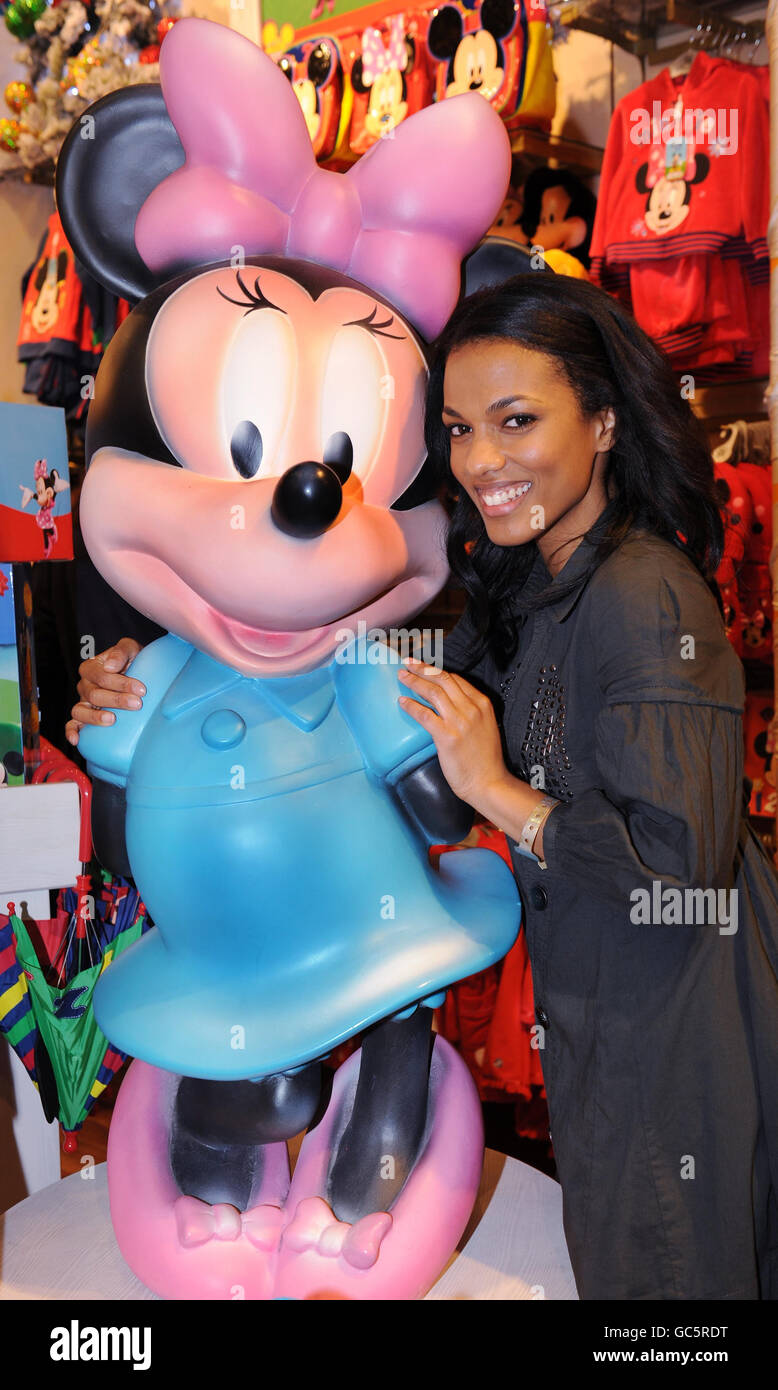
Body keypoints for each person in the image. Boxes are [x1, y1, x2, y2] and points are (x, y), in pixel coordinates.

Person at [67, 272, 778, 1301]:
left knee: (672, 1277)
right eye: (456, 428)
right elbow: (391, 671)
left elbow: (671, 867)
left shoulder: (642, 592)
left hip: (672, 1007)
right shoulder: (539, 580)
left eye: (516, 421)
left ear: (606, 422)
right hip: (600, 995)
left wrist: (495, 789)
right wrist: (147, 668)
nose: (481, 462)